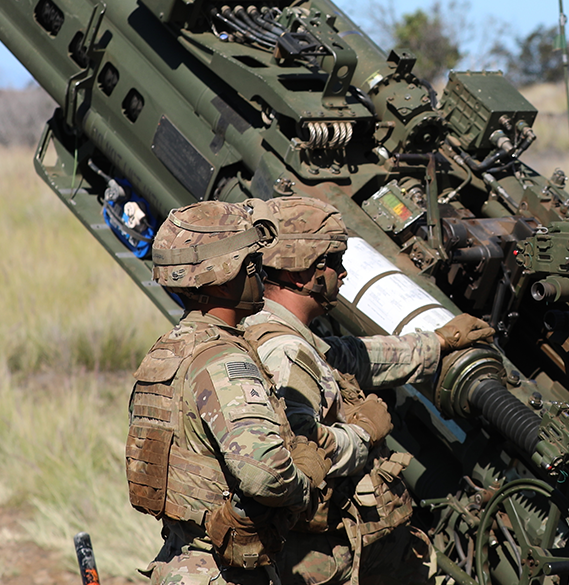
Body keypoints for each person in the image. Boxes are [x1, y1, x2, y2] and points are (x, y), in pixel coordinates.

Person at [239, 196, 495, 585]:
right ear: (299, 275)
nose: (343, 275)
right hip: (317, 556)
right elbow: (293, 459)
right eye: (335, 264)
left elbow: (353, 355)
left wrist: (439, 341)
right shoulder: (285, 352)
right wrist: (364, 432)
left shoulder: (276, 329)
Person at [126, 200, 331, 585]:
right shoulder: (222, 361)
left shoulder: (168, 351)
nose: (260, 273)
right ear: (222, 279)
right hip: (223, 569)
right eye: (251, 263)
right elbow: (263, 474)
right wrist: (305, 479)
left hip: (178, 562)